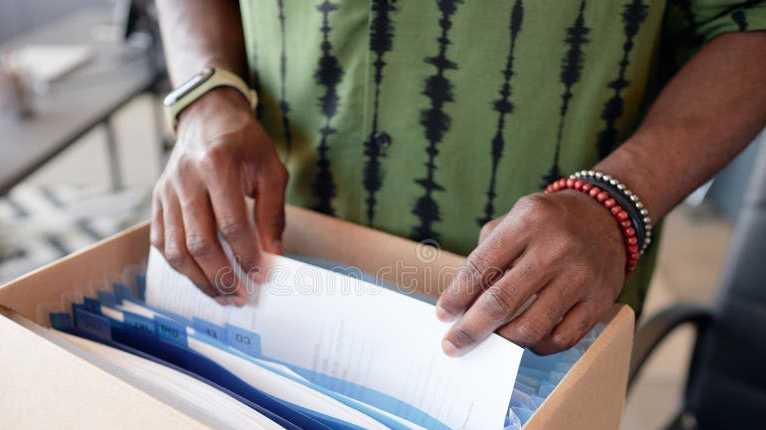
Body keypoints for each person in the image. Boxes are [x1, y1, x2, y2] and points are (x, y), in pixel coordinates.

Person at [151, 0, 766, 356]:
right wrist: (206, 95)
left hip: (540, 300)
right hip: (279, 270)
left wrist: (616, 198)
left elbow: (750, 22)